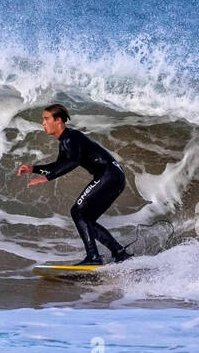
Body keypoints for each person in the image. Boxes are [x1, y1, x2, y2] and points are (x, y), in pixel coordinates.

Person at [18, 104, 132, 266]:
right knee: (86, 219)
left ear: (58, 120)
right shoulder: (66, 141)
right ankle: (119, 253)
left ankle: (93, 257)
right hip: (114, 176)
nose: (43, 123)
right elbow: (59, 164)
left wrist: (48, 178)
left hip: (108, 175)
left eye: (46, 119)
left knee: (78, 212)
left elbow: (73, 161)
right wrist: (33, 169)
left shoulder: (71, 137)